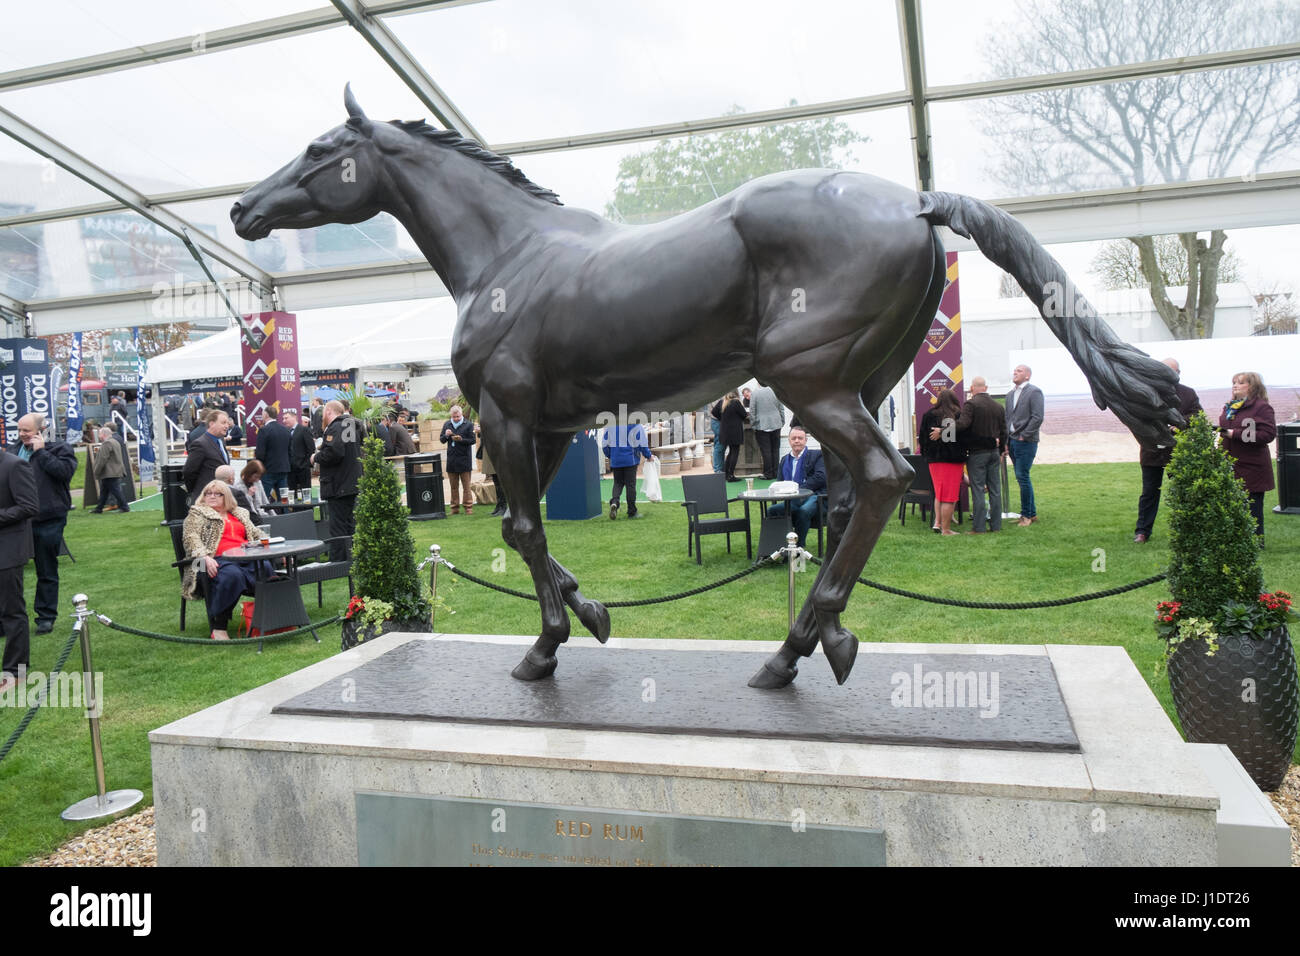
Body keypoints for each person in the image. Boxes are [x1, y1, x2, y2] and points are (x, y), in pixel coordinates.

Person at [7, 413, 77, 633]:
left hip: (49, 518)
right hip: (17, 519)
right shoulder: (12, 451)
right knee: (9, 571)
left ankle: (45, 616)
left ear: (41, 429)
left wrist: (42, 452)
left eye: (26, 430)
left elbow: (64, 473)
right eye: (20, 430)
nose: (22, 435)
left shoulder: (60, 449)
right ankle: (8, 618)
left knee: (46, 569)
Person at [182, 480, 267, 641]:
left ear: (226, 496)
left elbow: (256, 533)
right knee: (232, 576)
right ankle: (219, 626)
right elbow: (190, 538)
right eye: (208, 493)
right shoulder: (196, 514)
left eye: (217, 494)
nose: (212, 496)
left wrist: (274, 545)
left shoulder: (239, 513)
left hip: (244, 556)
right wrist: (204, 557)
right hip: (208, 560)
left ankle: (271, 617)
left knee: (267, 569)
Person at [1135, 358, 1202, 544]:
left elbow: (1198, 415)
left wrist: (1179, 423)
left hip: (1179, 450)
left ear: (1178, 374)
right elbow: (1137, 415)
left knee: (1182, 491)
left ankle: (1187, 529)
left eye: (1173, 371)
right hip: (1152, 450)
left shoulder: (1188, 393)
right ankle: (1142, 531)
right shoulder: (1145, 391)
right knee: (1149, 492)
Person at [1219, 371, 1276, 547]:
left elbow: (1267, 435)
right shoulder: (1230, 407)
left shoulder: (1261, 407)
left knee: (1252, 508)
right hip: (1231, 464)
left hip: (1253, 466)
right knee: (1233, 506)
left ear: (1252, 386)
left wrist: (1234, 434)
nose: (1235, 385)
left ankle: (1256, 544)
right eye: (1234, 382)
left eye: (1240, 383)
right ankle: (1238, 542)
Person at [0, 447, 38, 693]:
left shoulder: (14, 465)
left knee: (12, 610)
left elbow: (29, 506)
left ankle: (16, 671)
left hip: (7, 550)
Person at [956, 377, 1007, 534]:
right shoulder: (998, 406)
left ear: (972, 388)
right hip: (993, 453)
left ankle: (978, 527)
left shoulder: (971, 404)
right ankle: (996, 526)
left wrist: (945, 428)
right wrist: (1000, 452)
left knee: (977, 489)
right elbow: (1004, 431)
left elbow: (963, 424)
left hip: (977, 453)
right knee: (995, 489)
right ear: (986, 387)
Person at [313, 400, 361, 560]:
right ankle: (352, 556)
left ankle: (338, 561)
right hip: (351, 482)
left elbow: (334, 453)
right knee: (349, 524)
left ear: (328, 412)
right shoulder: (351, 425)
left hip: (338, 485)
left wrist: (316, 457)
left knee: (338, 526)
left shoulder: (335, 427)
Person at [766, 426, 826, 549]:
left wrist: (798, 489)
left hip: (814, 497)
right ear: (789, 441)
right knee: (772, 510)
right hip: (792, 500)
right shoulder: (784, 460)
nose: (797, 441)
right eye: (794, 438)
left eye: (800, 438)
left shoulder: (817, 455)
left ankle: (798, 548)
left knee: (803, 511)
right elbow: (780, 482)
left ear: (805, 440)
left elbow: (820, 477)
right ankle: (776, 547)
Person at [919, 389, 966, 536]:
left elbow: (922, 439)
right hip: (952, 461)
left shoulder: (928, 415)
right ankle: (946, 530)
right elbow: (960, 439)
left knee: (939, 494)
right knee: (949, 497)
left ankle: (937, 523)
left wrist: (928, 455)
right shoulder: (957, 415)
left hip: (934, 461)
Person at [1005, 364, 1044, 526]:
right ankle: (1031, 513)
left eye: (1019, 371)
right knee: (1022, 477)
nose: (1015, 372)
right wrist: (1007, 441)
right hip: (1012, 441)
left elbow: (1037, 417)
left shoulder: (1034, 392)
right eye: (1014, 370)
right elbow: (1007, 419)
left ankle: (1026, 516)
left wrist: (1023, 436)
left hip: (1026, 442)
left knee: (1022, 477)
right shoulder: (1009, 395)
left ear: (1027, 375)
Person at [601, 423, 654, 520]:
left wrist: (611, 456)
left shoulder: (611, 425)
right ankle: (632, 512)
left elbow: (604, 444)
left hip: (616, 459)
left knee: (617, 483)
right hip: (630, 460)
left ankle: (614, 502)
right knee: (630, 485)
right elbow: (641, 442)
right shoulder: (635, 424)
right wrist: (648, 455)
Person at [183, 410, 232, 504]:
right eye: (223, 423)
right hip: (206, 499)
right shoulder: (200, 444)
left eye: (227, 423)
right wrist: (198, 490)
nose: (227, 426)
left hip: (222, 497)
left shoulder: (221, 441)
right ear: (212, 424)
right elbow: (189, 471)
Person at [441, 404, 477, 515]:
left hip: (464, 459)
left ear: (461, 415)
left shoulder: (468, 425)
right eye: (454, 417)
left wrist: (461, 439)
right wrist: (446, 436)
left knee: (466, 486)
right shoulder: (447, 424)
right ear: (451, 416)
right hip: (452, 460)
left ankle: (468, 507)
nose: (456, 418)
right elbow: (442, 440)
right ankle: (454, 508)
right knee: (453, 487)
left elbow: (472, 440)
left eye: (458, 416)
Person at [749, 384, 785, 480]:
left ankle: (768, 473)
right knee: (776, 449)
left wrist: (753, 424)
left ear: (758, 383)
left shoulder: (755, 393)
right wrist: (782, 420)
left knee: (766, 451)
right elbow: (781, 407)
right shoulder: (775, 390)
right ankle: (776, 473)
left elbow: (752, 410)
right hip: (776, 422)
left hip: (762, 424)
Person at [90, 425, 130, 514]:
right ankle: (99, 508)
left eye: (99, 434)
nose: (99, 436)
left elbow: (102, 459)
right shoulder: (115, 442)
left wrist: (96, 471)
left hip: (109, 472)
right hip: (115, 471)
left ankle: (125, 507)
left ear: (103, 434)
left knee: (116, 491)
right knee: (104, 492)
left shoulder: (106, 443)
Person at [711, 391, 749, 483]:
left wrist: (723, 418)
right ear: (736, 394)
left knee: (730, 453)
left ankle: (726, 473)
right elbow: (744, 415)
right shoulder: (736, 402)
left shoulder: (722, 402)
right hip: (735, 431)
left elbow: (714, 412)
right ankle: (731, 475)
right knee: (734, 453)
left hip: (725, 431)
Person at [254, 410, 292, 501]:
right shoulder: (286, 430)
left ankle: (265, 515)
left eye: (262, 414)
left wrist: (259, 467)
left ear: (266, 415)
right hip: (283, 469)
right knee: (284, 500)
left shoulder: (263, 430)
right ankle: (286, 515)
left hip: (268, 470)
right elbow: (290, 451)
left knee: (264, 500)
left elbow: (260, 453)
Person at [474, 421, 507, 517]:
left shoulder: (498, 418)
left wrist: (482, 430)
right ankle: (499, 506)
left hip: (498, 452)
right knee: (496, 481)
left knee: (500, 481)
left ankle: (504, 506)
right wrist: (480, 432)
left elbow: (497, 433)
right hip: (489, 450)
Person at [285, 409, 315, 496]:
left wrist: (306, 464)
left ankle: (308, 509)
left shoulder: (304, 430)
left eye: (286, 418)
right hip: (290, 470)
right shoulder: (286, 431)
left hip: (303, 469)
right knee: (292, 494)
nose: (284, 420)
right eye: (283, 418)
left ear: (294, 417)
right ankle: (295, 510)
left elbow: (311, 448)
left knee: (306, 493)